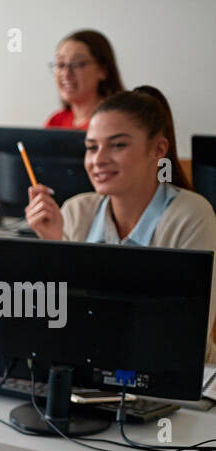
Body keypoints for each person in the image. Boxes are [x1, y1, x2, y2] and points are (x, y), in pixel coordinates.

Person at [26, 87, 216, 363]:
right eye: (92, 147)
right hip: (90, 370)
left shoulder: (191, 216)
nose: (98, 159)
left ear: (158, 149)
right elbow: (53, 323)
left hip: (178, 381)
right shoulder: (77, 211)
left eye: (118, 145)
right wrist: (54, 245)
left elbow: (180, 336)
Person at [45, 29, 123, 130]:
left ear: (102, 70)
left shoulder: (117, 121)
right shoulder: (56, 122)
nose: (66, 73)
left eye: (77, 64)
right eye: (61, 64)